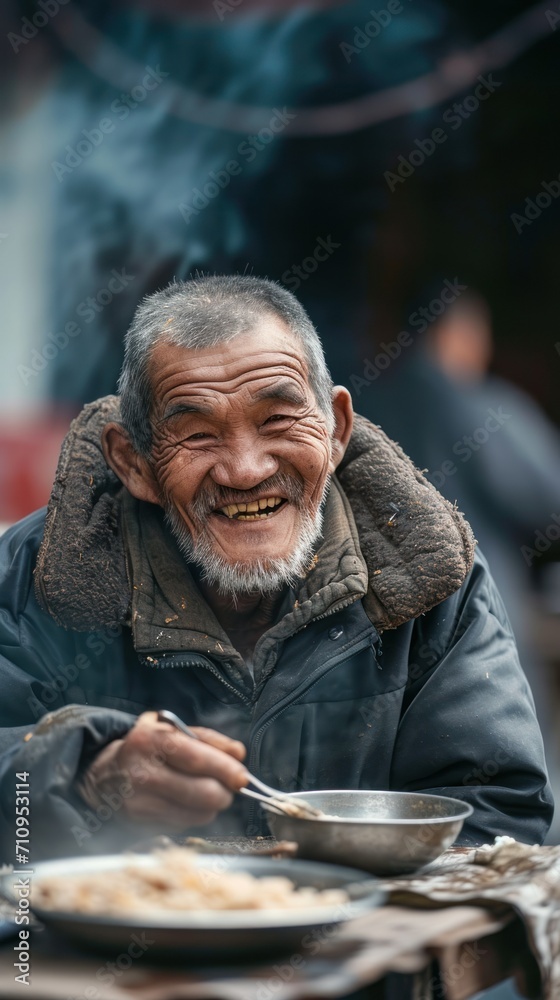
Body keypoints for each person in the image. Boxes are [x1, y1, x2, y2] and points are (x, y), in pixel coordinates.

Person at [0, 276, 553, 861]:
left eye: (277, 421)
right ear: (135, 465)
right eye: (197, 434)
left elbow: (498, 812)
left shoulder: (426, 576)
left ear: (336, 429)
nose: (245, 470)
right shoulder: (38, 576)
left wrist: (311, 901)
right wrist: (85, 776)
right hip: (97, 948)